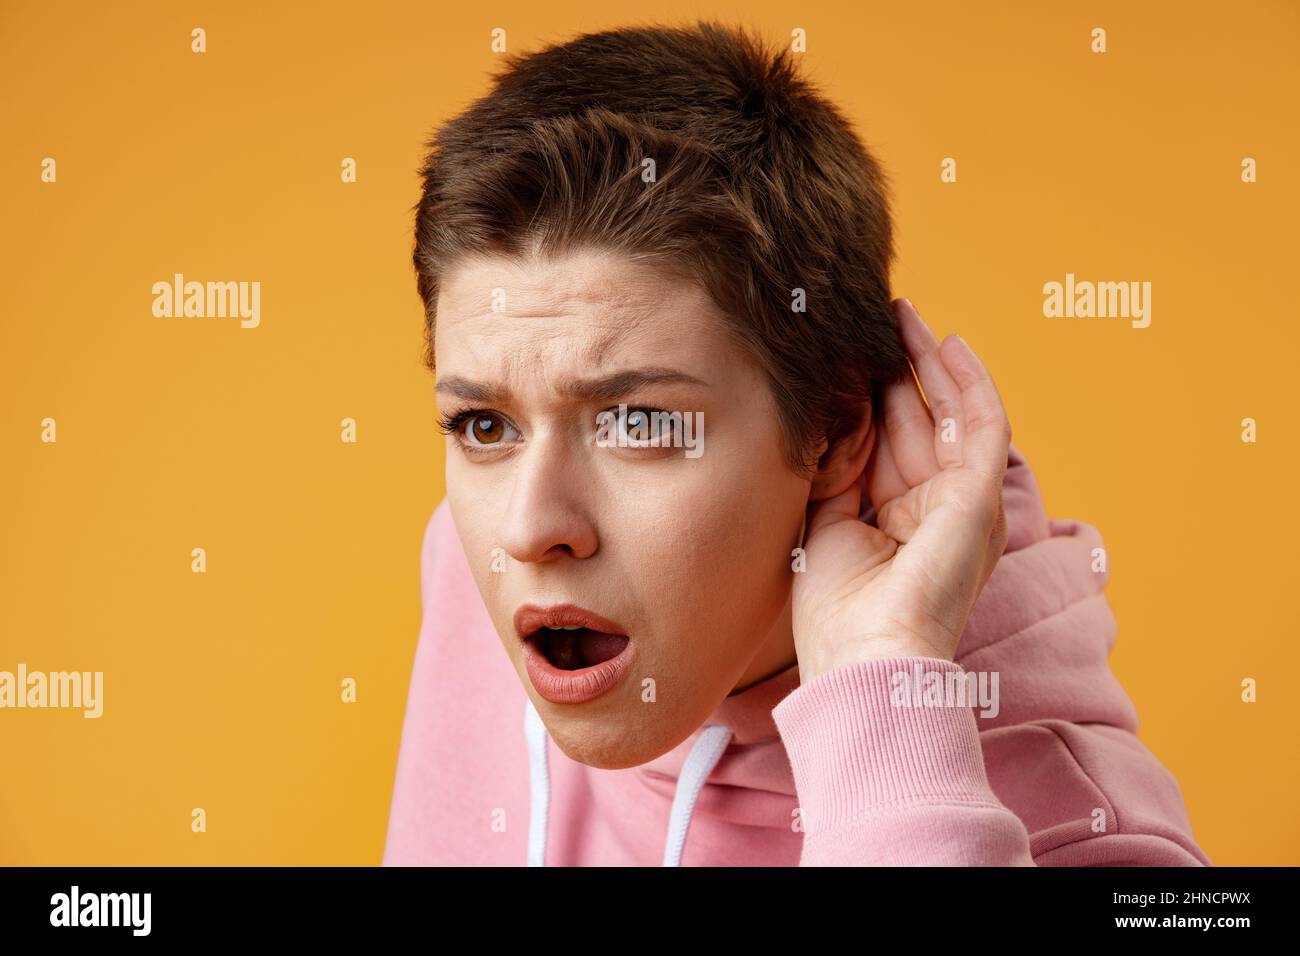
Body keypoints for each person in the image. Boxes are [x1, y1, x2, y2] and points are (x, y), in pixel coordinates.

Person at [383, 20, 1209, 866]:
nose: (528, 528)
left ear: (837, 430)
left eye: (640, 423)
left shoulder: (1100, 842)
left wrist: (880, 688)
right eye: (485, 425)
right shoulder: (472, 559)